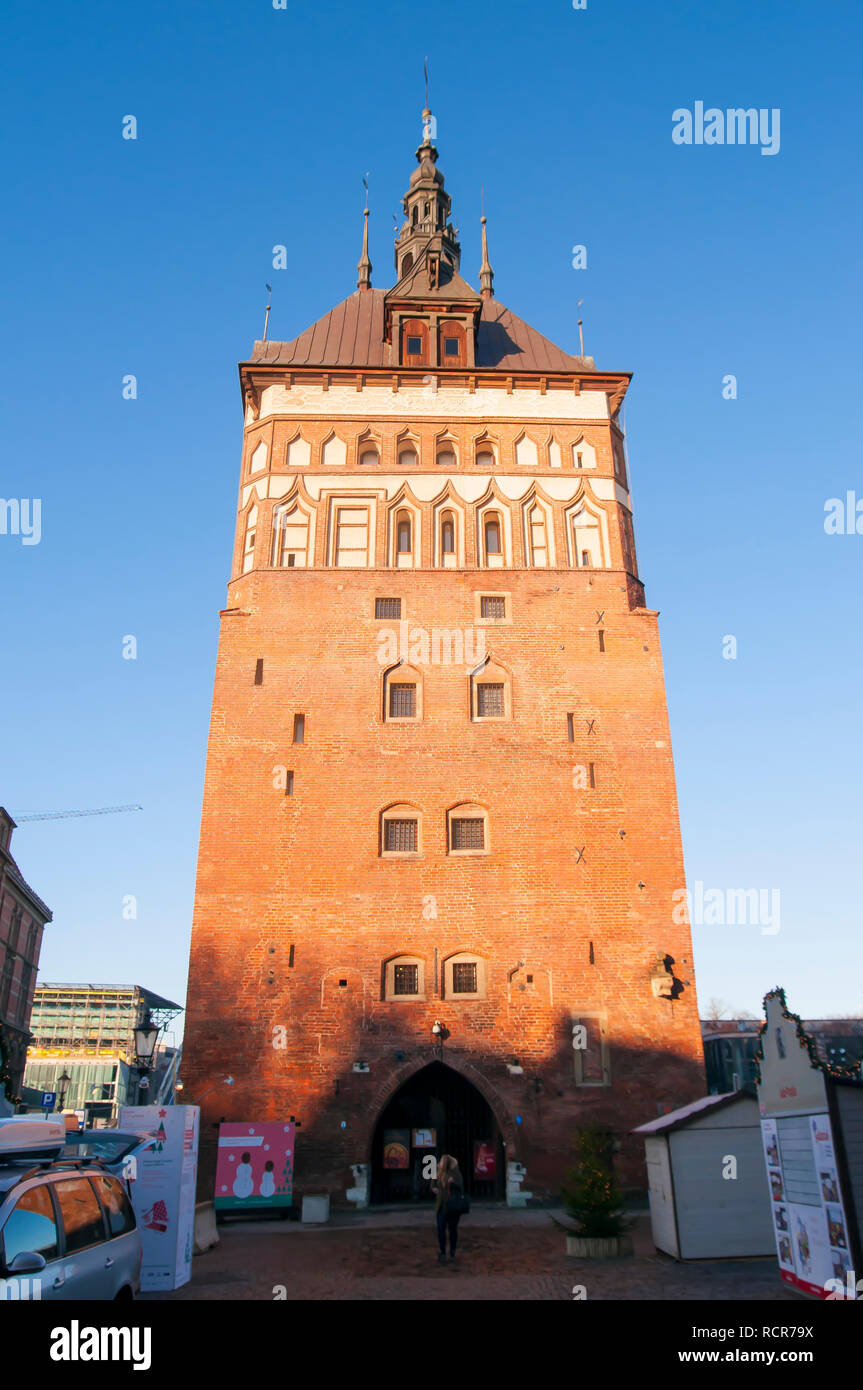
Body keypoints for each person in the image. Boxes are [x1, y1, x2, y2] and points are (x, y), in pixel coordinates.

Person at [432, 1154, 464, 1263]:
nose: (440, 1163)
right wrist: (434, 1188)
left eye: (442, 1161)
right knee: (440, 1230)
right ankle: (442, 1251)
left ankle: (452, 1251)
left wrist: (453, 1182)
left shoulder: (455, 1173)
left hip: (452, 1207)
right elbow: (433, 1184)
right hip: (441, 1206)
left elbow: (460, 1185)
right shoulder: (438, 1172)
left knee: (452, 1230)